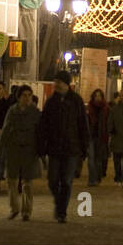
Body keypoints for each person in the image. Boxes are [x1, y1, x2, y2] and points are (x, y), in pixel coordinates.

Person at [37, 70, 89, 222]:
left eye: (59, 82)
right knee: (52, 180)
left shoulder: (76, 101)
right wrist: (42, 146)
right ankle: (60, 204)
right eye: (55, 82)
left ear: (66, 84)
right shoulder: (51, 102)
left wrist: (84, 147)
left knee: (66, 181)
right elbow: (43, 125)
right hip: (54, 148)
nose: (56, 84)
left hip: (72, 148)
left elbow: (82, 125)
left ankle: (62, 212)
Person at [0, 84, 42, 220]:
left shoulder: (35, 112)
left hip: (29, 150)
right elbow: (5, 130)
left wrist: (42, 151)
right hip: (14, 149)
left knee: (27, 183)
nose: (27, 98)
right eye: (24, 95)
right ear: (19, 97)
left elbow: (41, 133)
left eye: (29, 95)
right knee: (11, 180)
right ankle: (14, 208)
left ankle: (26, 211)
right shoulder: (12, 111)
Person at [86, 88, 110, 186]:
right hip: (90, 136)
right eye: (96, 95)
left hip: (101, 137)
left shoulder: (105, 108)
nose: (97, 97)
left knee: (98, 160)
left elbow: (108, 123)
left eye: (99, 95)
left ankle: (97, 178)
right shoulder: (89, 108)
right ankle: (92, 179)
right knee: (91, 159)